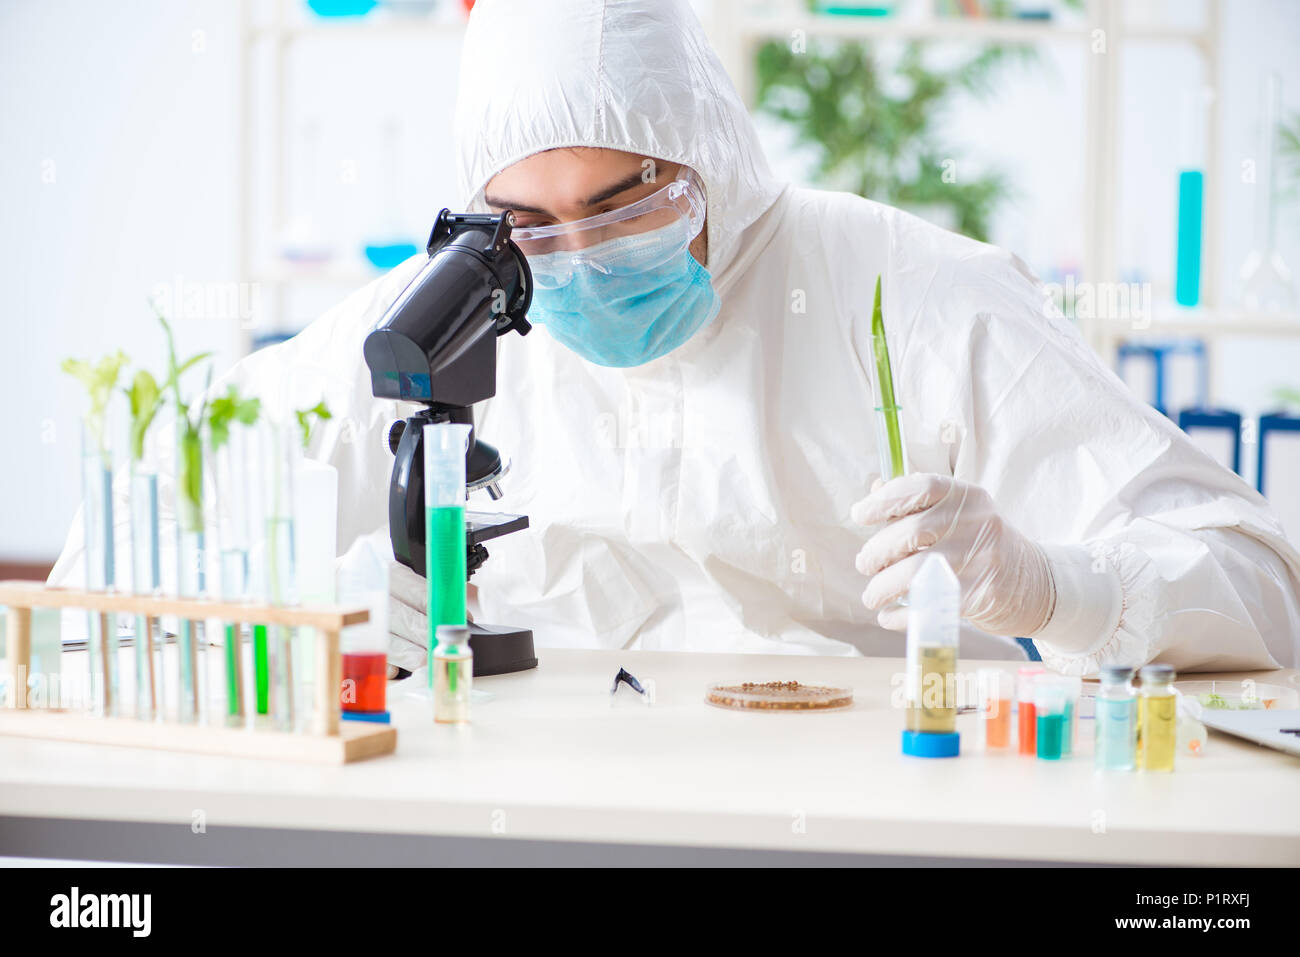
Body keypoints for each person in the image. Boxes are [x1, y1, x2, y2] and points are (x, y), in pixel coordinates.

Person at [51, 0, 1300, 677]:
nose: (579, 261)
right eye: (528, 225)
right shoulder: (458, 309)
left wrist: (1051, 585)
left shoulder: (916, 293)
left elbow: (1259, 586)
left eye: (625, 207)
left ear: (714, 161)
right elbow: (177, 498)